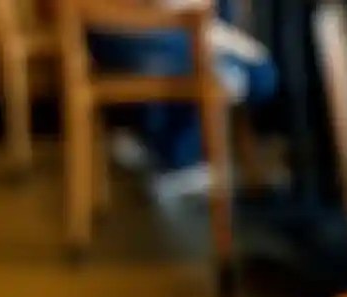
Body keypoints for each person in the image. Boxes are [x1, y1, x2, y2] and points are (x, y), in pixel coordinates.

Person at [88, 0, 277, 200]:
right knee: (252, 74)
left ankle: (160, 146)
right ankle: (177, 157)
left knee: (257, 75)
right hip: (124, 28)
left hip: (170, 28)